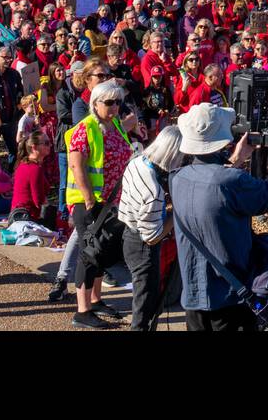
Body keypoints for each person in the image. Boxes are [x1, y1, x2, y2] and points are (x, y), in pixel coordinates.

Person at [171, 103, 268, 331]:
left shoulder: (178, 178)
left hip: (193, 296)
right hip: (231, 297)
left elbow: (211, 186)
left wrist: (236, 158)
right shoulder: (233, 181)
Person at [65, 79, 134, 329]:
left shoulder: (113, 123)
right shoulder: (86, 128)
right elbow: (76, 165)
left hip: (112, 201)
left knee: (102, 251)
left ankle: (95, 300)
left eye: (118, 102)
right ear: (95, 103)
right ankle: (82, 311)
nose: (115, 107)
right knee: (89, 252)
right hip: (89, 202)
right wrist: (89, 199)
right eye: (109, 102)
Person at [118, 126, 185, 331]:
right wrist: (176, 214)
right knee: (145, 303)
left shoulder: (137, 162)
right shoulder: (153, 190)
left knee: (143, 296)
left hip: (128, 233)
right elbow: (153, 237)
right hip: (142, 246)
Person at [10, 131, 52, 224]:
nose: (50, 145)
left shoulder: (23, 164)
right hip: (28, 218)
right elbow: (38, 201)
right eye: (46, 143)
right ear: (34, 147)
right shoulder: (34, 169)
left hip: (19, 216)